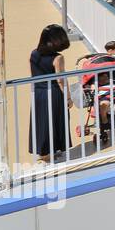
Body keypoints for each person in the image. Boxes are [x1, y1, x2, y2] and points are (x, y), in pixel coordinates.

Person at [30, 23, 72, 162]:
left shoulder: (34, 53)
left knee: (41, 121)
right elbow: (61, 80)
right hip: (53, 92)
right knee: (57, 119)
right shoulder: (58, 58)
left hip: (38, 92)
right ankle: (54, 151)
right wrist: (68, 97)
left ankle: (44, 153)